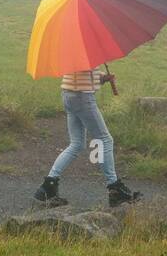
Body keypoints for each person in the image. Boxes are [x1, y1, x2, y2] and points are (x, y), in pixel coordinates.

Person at [33, 65, 141, 207]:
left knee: (76, 144)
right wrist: (101, 78)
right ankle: (115, 188)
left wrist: (102, 78)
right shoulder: (84, 50)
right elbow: (86, 75)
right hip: (82, 96)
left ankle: (48, 185)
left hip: (68, 94)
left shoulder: (72, 50)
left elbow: (82, 73)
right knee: (105, 140)